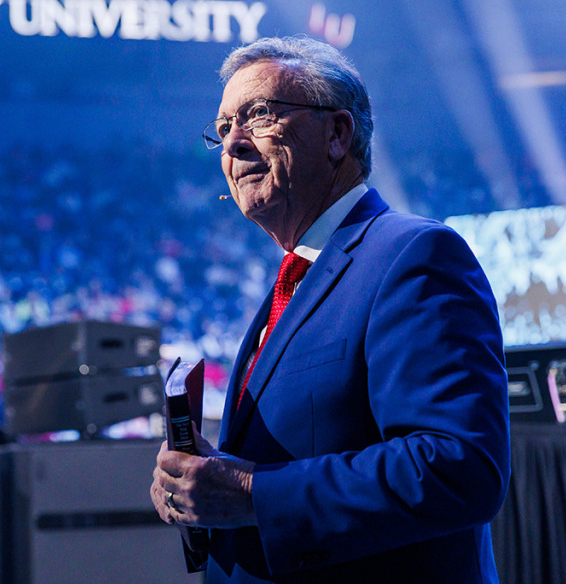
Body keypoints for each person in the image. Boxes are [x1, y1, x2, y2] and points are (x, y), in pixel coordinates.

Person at [150, 35, 510, 582]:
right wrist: (206, 477)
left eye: (259, 115)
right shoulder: (295, 280)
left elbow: (460, 469)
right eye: (223, 129)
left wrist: (252, 492)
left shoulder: (413, 255)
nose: (233, 145)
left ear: (338, 134)